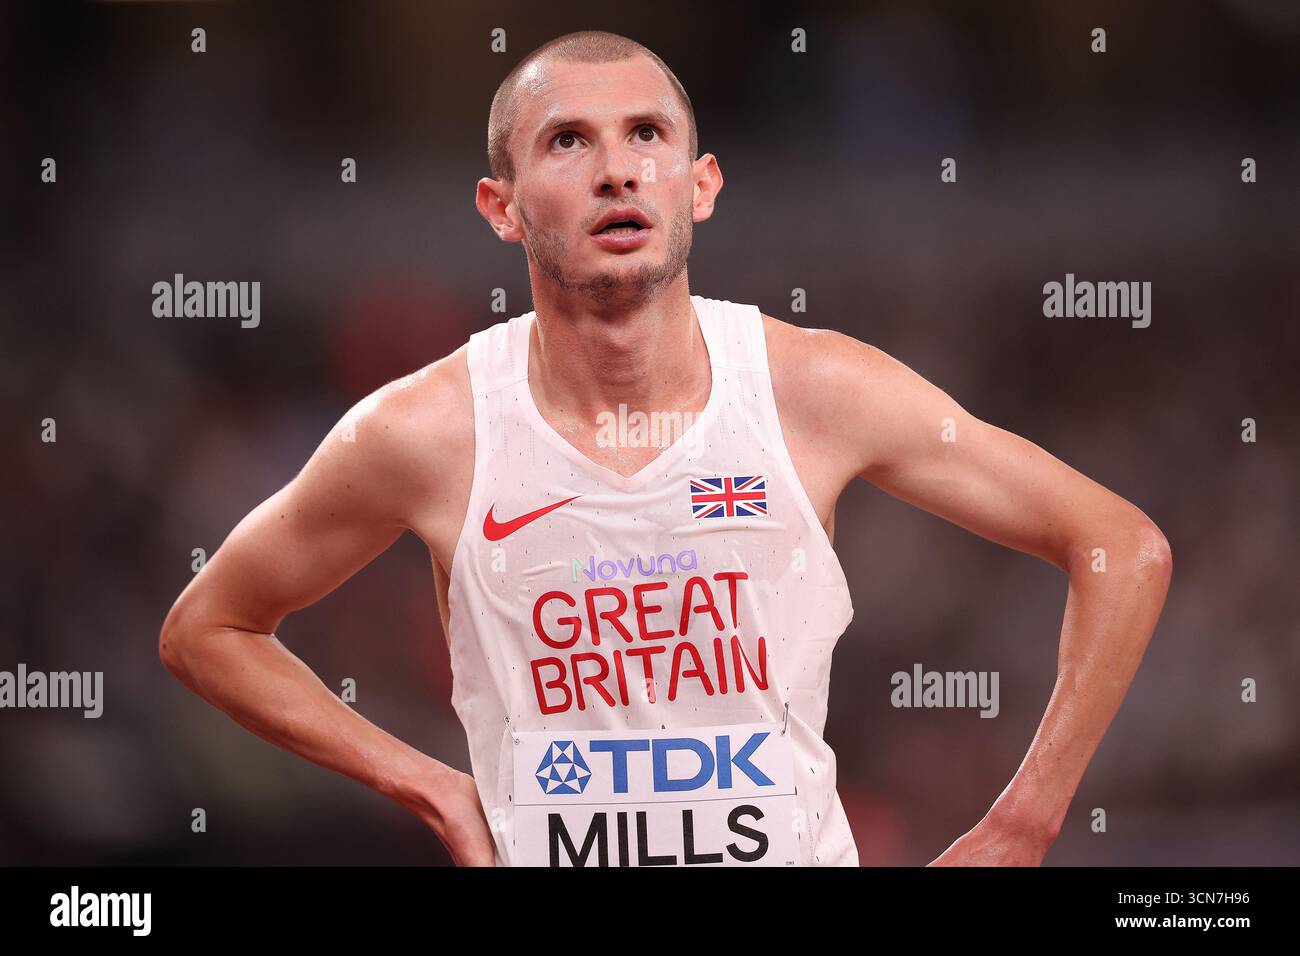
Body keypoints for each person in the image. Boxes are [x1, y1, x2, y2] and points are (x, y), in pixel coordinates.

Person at [159, 30, 1172, 867]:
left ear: (699, 185)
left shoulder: (814, 390)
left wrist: (1021, 825)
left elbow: (1121, 547)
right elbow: (208, 629)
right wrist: (429, 786)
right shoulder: (427, 430)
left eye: (646, 134)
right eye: (567, 141)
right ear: (501, 206)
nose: (616, 169)